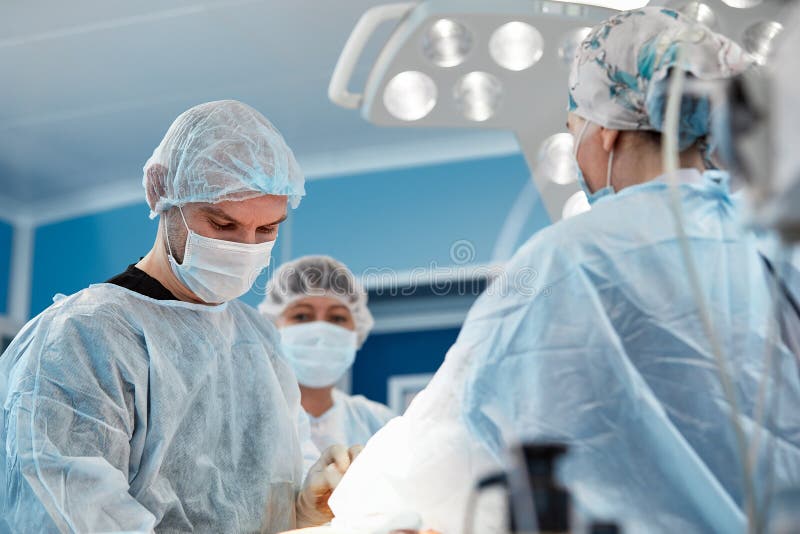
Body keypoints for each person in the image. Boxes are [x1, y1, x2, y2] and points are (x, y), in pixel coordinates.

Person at [329, 8, 800, 534]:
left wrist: (353, 490)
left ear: (606, 132)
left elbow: (445, 445)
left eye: (574, 128)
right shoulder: (776, 250)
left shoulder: (566, 258)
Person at [0, 100, 356, 533]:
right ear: (160, 192)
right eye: (222, 225)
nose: (244, 247)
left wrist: (303, 508)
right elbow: (68, 515)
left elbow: (255, 506)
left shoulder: (259, 342)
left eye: (267, 229)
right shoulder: (84, 337)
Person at [259, 255, 395, 453]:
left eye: (337, 318)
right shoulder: (248, 417)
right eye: (302, 316)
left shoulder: (378, 423)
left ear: (356, 330)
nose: (320, 331)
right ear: (272, 327)